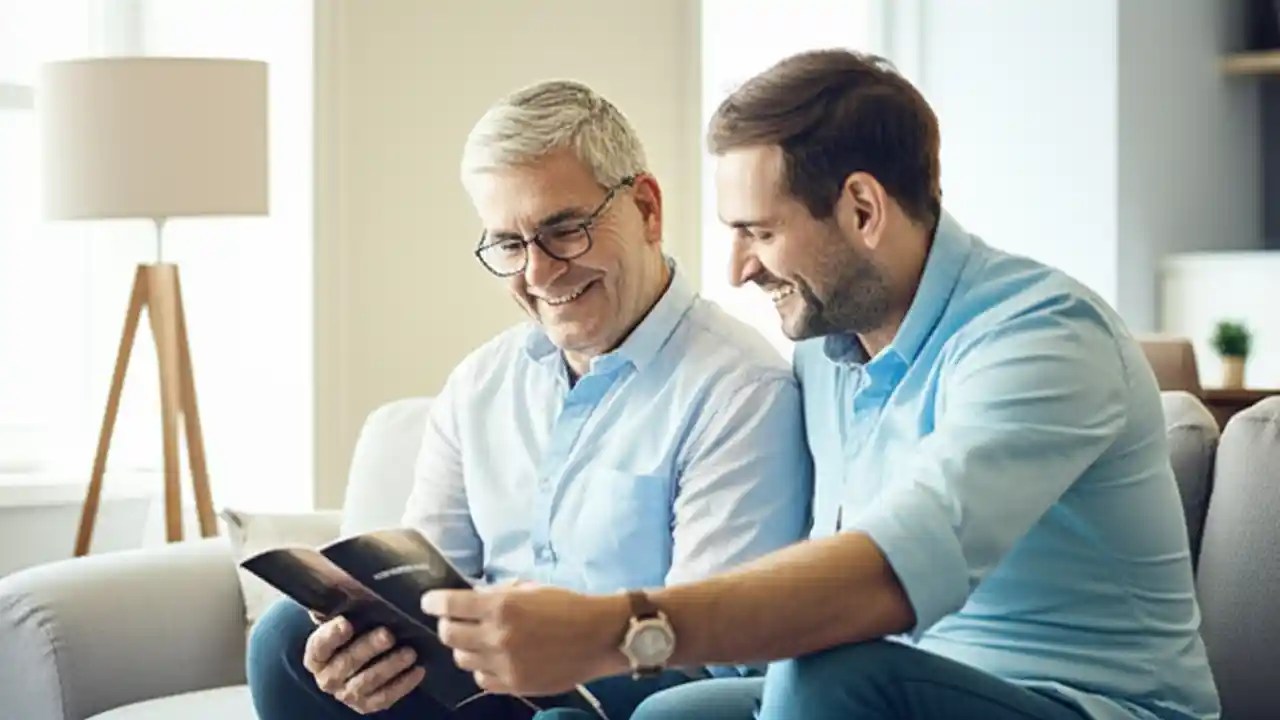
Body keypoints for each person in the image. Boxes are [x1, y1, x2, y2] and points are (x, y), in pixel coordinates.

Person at [421, 50, 1221, 720]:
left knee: (829, 673)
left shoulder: (1042, 335)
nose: (737, 269)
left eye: (760, 232)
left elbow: (887, 572)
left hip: (1073, 702)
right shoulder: (824, 356)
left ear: (863, 209)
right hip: (888, 689)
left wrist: (612, 629)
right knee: (672, 712)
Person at [245, 79, 812, 720]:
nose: (539, 273)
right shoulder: (480, 385)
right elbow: (422, 590)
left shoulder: (739, 389)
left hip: (627, 691)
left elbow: (714, 652)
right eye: (510, 246)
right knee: (287, 641)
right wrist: (365, 652)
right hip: (484, 687)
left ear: (647, 209)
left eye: (565, 230)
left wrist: (568, 647)